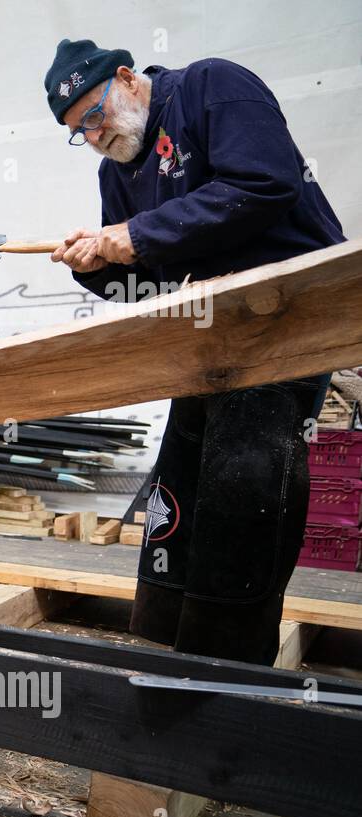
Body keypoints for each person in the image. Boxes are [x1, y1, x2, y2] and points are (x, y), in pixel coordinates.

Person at [44, 38, 346, 665]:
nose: (95, 138)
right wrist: (94, 264)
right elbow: (146, 284)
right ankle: (163, 648)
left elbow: (265, 183)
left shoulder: (211, 88)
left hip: (289, 317)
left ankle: (225, 678)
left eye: (94, 116)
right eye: (80, 133)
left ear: (126, 79)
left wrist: (136, 234)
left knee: (245, 490)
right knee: (176, 495)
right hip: (211, 341)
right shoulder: (117, 172)